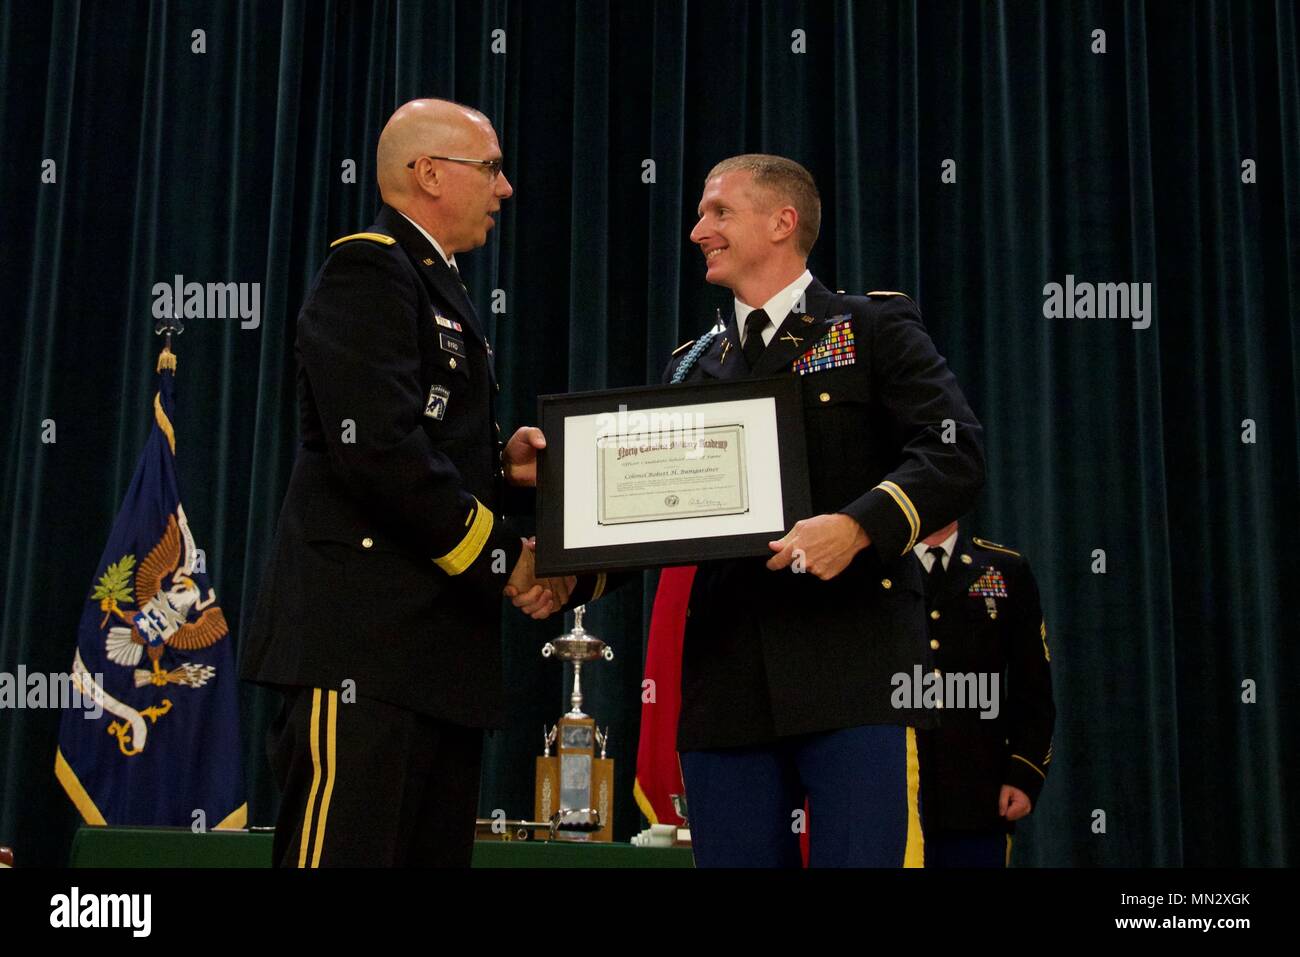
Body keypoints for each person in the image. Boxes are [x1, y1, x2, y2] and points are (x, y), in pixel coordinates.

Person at [242, 99, 588, 867]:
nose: (505, 190)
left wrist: (504, 472)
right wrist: (509, 555)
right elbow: (378, 451)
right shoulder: (370, 266)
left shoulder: (437, 283)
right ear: (429, 173)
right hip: (361, 648)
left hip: (432, 655)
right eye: (491, 168)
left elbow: (417, 439)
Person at [662, 154, 985, 867]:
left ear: (783, 222)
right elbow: (656, 514)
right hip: (728, 686)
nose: (697, 231)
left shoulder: (872, 327)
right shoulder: (691, 365)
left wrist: (859, 525)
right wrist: (559, 547)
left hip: (855, 672)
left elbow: (954, 452)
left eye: (718, 212)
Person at [913, 520, 1055, 867]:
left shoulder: (1004, 568)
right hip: (895, 787)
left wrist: (1024, 772)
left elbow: (1031, 683)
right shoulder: (878, 566)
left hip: (978, 788)